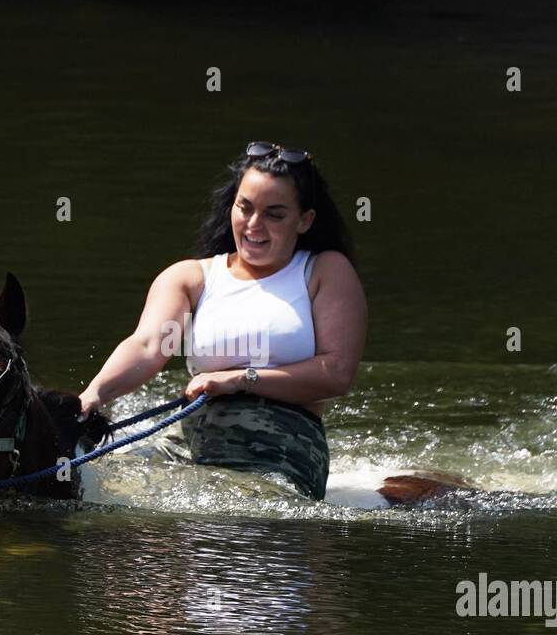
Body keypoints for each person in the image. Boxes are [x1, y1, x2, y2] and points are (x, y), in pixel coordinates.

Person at [78, 141, 367, 500]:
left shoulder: (324, 271)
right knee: (87, 487)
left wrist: (238, 380)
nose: (253, 225)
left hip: (283, 446)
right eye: (244, 208)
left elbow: (336, 374)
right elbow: (151, 345)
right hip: (187, 442)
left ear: (304, 220)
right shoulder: (191, 278)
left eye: (274, 214)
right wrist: (95, 393)